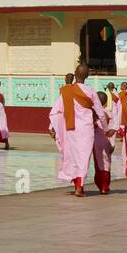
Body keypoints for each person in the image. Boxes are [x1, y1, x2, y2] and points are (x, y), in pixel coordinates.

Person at [47, 62, 105, 197]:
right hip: (86, 129)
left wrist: (52, 127)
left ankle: (77, 185)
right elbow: (100, 113)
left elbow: (56, 111)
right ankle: (80, 186)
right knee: (83, 157)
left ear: (75, 74)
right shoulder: (90, 91)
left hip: (70, 128)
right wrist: (106, 128)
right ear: (87, 76)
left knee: (73, 156)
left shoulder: (67, 90)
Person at [92, 90, 113, 195]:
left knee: (99, 163)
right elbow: (112, 129)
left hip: (95, 141)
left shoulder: (92, 113)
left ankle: (101, 185)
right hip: (106, 141)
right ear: (105, 103)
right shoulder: (108, 113)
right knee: (107, 163)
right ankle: (105, 186)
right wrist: (112, 144)